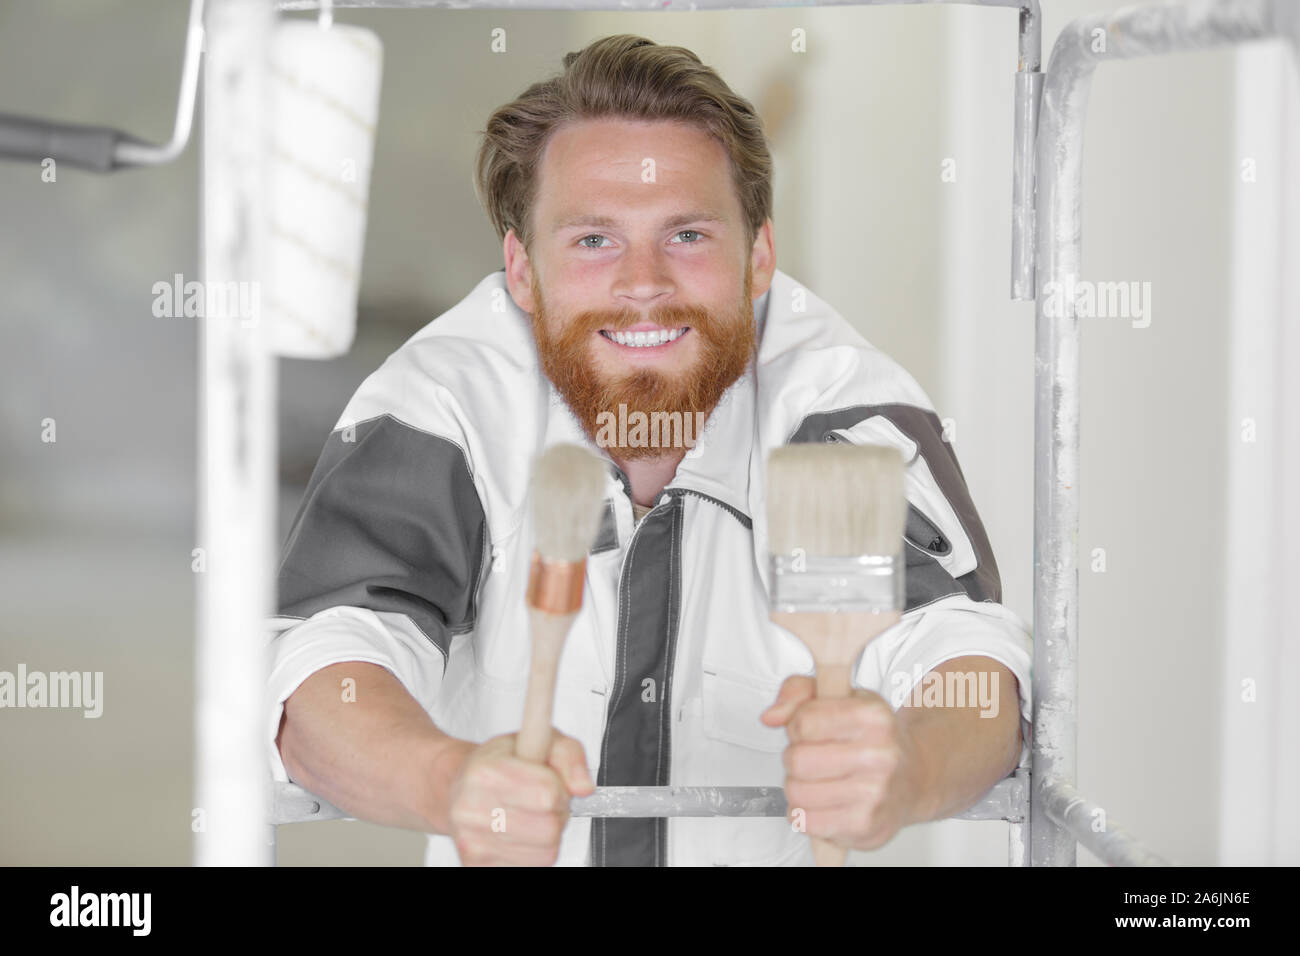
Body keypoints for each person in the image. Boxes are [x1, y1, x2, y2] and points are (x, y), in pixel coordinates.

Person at [268, 34, 1032, 866]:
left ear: (760, 257)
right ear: (522, 272)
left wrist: (909, 767)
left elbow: (971, 668)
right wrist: (449, 782)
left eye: (689, 236)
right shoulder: (444, 405)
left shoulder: (836, 410)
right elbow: (323, 676)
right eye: (594, 240)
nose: (644, 284)